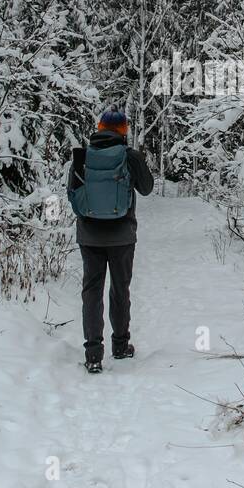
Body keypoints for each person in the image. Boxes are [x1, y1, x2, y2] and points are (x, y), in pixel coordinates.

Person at [67, 106, 154, 373]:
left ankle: (93, 354)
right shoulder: (130, 156)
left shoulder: (82, 157)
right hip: (122, 236)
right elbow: (147, 188)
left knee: (91, 291)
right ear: (124, 130)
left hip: (90, 236)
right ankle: (120, 345)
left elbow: (73, 195)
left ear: (100, 128)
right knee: (120, 289)